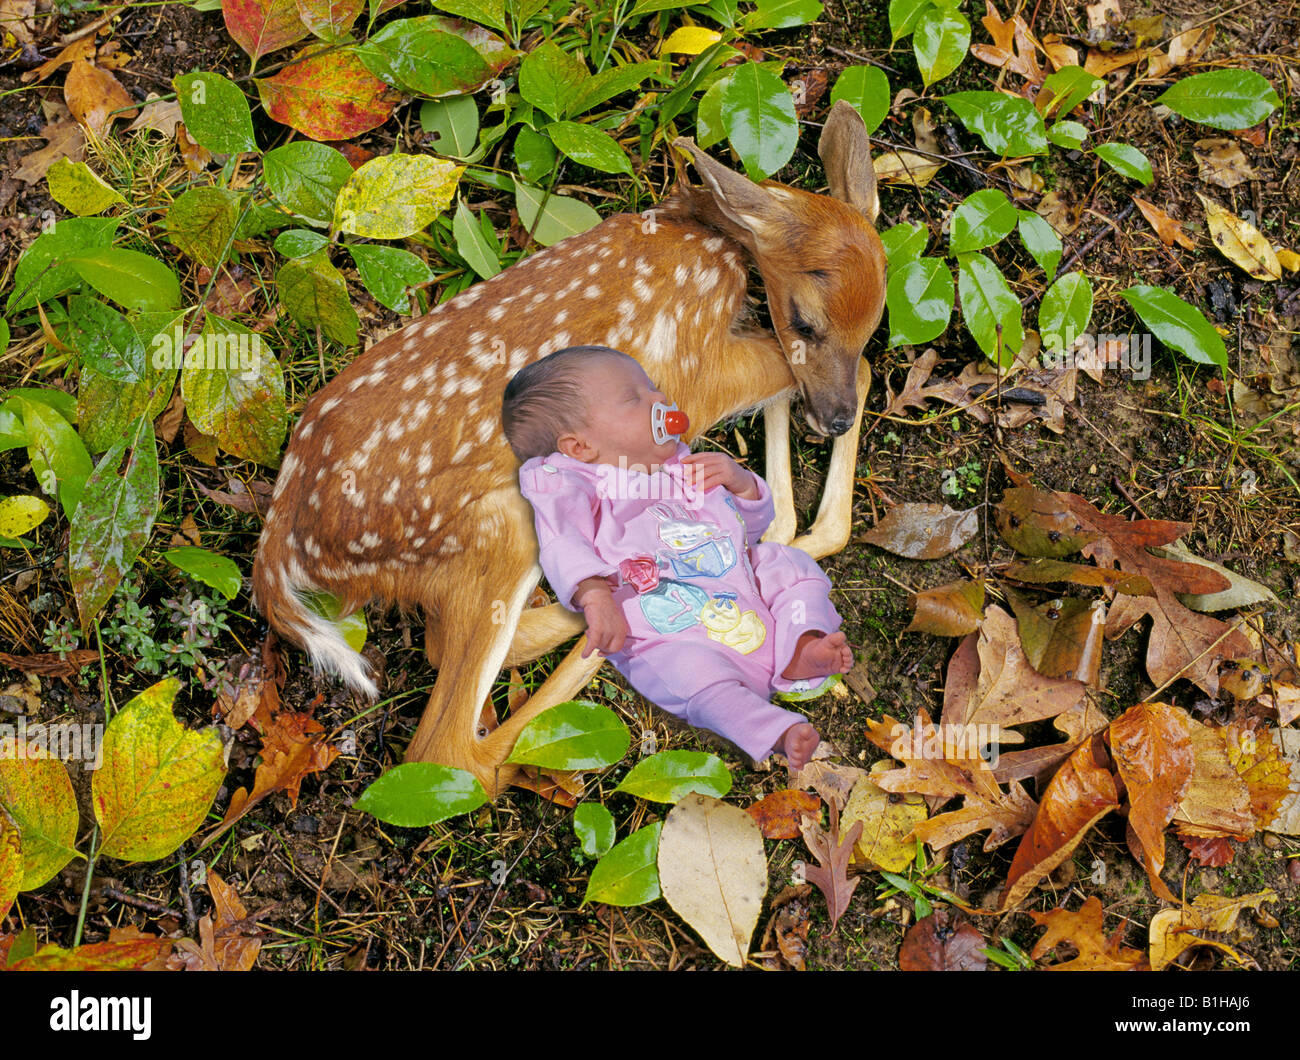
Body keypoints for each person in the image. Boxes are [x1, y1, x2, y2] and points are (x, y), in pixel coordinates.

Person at [503, 346, 852, 770]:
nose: (659, 401)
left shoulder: (684, 468)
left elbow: (742, 535)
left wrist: (741, 486)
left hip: (740, 591)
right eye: (635, 398)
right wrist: (594, 595)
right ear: (579, 446)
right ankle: (770, 729)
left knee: (784, 563)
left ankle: (801, 644)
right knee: (684, 673)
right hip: (670, 627)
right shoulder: (569, 485)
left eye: (654, 389)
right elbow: (563, 540)